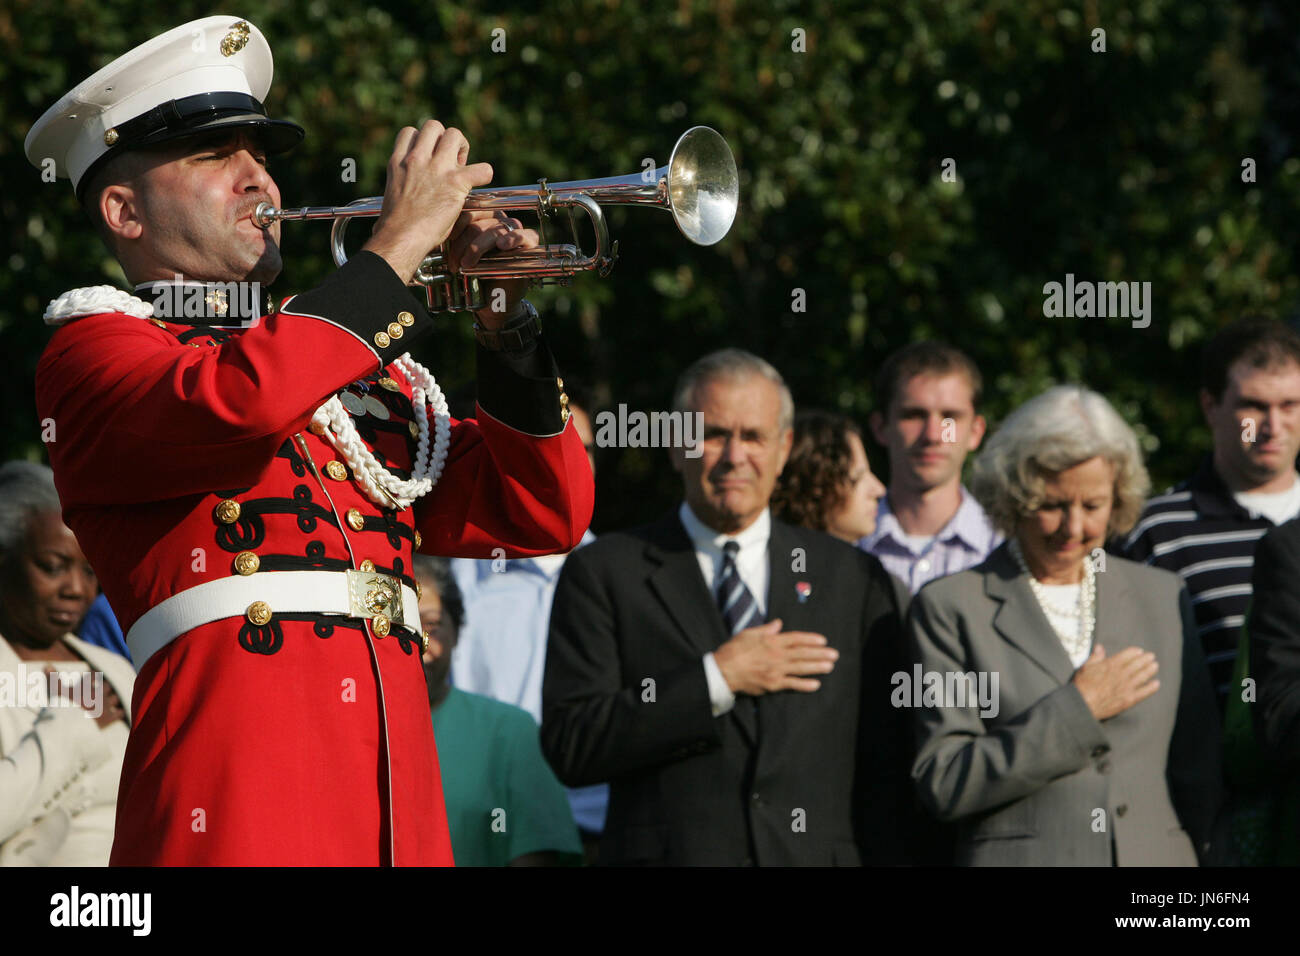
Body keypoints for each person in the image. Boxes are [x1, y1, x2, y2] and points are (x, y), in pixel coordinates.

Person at [25, 17, 593, 865]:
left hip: (395, 814)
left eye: (261, 155)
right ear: (124, 210)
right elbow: (240, 404)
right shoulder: (97, 351)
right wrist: (397, 249)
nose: (260, 179)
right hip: (236, 806)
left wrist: (505, 322)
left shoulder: (359, 379)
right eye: (217, 156)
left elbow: (544, 512)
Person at [542, 349, 911, 865]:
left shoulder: (852, 579)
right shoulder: (604, 574)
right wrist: (716, 678)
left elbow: (887, 767)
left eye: (754, 437)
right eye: (713, 435)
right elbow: (572, 745)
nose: (735, 456)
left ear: (783, 450)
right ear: (675, 448)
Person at [910, 385, 1222, 865]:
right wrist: (1077, 709)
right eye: (1052, 505)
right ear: (1013, 495)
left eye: (1093, 506)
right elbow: (945, 779)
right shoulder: (951, 608)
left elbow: (1198, 768)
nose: (1073, 528)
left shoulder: (1163, 596)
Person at [450, 400, 608, 848]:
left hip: (602, 831)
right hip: (486, 833)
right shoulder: (446, 585)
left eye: (584, 450)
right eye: (549, 449)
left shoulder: (629, 578)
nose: (569, 465)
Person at [1121, 317, 1300, 712]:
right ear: (1210, 406)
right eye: (1254, 406)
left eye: (1290, 405)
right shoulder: (1155, 532)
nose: (1273, 426)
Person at [0, 462, 134, 866]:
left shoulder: (116, 670)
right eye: (53, 567)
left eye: (90, 571)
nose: (77, 590)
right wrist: (74, 722)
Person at [416, 556, 582, 866]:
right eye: (399, 625)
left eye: (432, 624)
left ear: (457, 631)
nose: (416, 641)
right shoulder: (339, 733)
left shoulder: (509, 731)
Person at [863, 342, 1001, 594]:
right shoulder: (844, 545)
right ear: (881, 426)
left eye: (949, 416)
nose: (933, 434)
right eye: (913, 415)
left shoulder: (1008, 551)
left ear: (976, 431)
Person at [771, 409, 886, 543]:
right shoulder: (793, 560)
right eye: (858, 476)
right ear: (816, 485)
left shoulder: (860, 561)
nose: (879, 490)